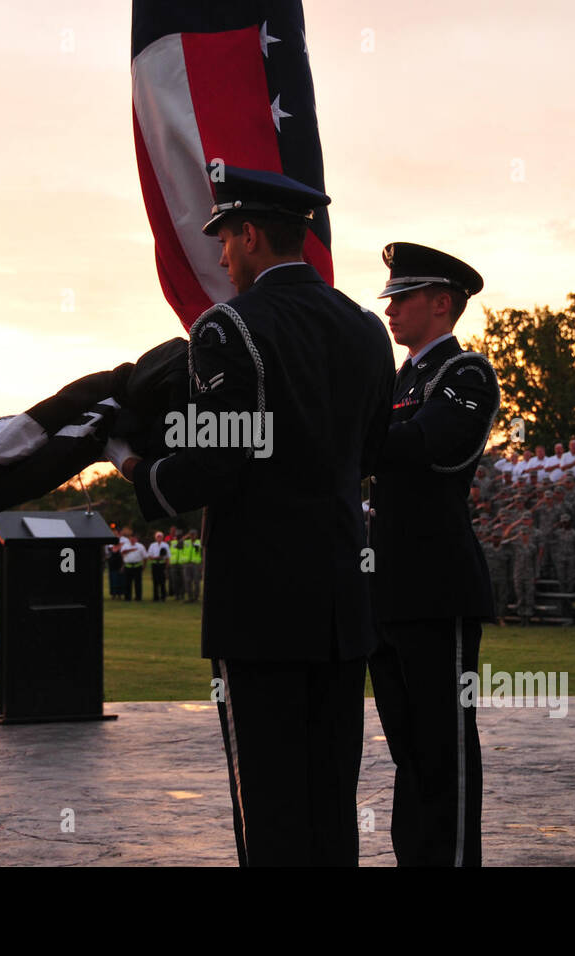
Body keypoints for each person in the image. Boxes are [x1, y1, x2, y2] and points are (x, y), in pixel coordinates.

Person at [106, 167, 394, 866]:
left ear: (253, 234)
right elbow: (373, 449)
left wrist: (136, 467)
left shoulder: (229, 328)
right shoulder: (363, 328)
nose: (223, 258)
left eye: (227, 242)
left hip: (262, 605)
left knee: (270, 805)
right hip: (341, 601)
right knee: (330, 798)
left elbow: (214, 463)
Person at [367, 243, 499, 867]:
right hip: (388, 584)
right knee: (409, 748)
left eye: (403, 297)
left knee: (445, 745)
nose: (390, 309)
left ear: (441, 302)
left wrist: (349, 435)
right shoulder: (400, 378)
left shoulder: (464, 372)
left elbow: (431, 445)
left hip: (434, 583)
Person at [120, 531, 146, 601]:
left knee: (138, 583)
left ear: (136, 539)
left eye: (133, 538)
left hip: (137, 566)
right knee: (127, 583)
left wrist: (144, 565)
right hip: (128, 566)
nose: (132, 540)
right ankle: (127, 597)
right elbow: (122, 553)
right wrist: (131, 550)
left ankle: (138, 597)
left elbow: (145, 557)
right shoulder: (125, 545)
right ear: (129, 539)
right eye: (131, 538)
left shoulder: (140, 546)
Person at [146, 531, 170, 601]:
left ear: (162, 537)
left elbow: (167, 557)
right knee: (155, 581)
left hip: (162, 564)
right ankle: (155, 597)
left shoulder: (165, 545)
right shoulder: (152, 545)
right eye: (157, 537)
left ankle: (163, 596)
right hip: (155, 564)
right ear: (155, 538)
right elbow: (149, 556)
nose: (159, 538)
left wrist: (167, 567)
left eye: (160, 536)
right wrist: (156, 557)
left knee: (162, 581)